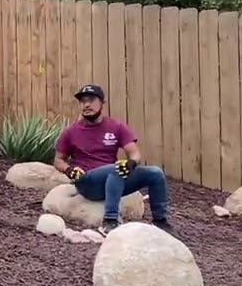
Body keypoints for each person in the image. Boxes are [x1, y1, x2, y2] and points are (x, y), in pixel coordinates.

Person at [52, 83, 172, 235]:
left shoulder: (116, 127)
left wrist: (131, 163)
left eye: (91, 100)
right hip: (87, 182)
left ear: (102, 103)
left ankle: (160, 222)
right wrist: (69, 170)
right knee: (116, 169)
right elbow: (58, 160)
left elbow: (135, 153)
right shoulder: (71, 132)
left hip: (113, 182)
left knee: (155, 173)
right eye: (83, 101)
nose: (86, 105)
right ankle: (109, 221)